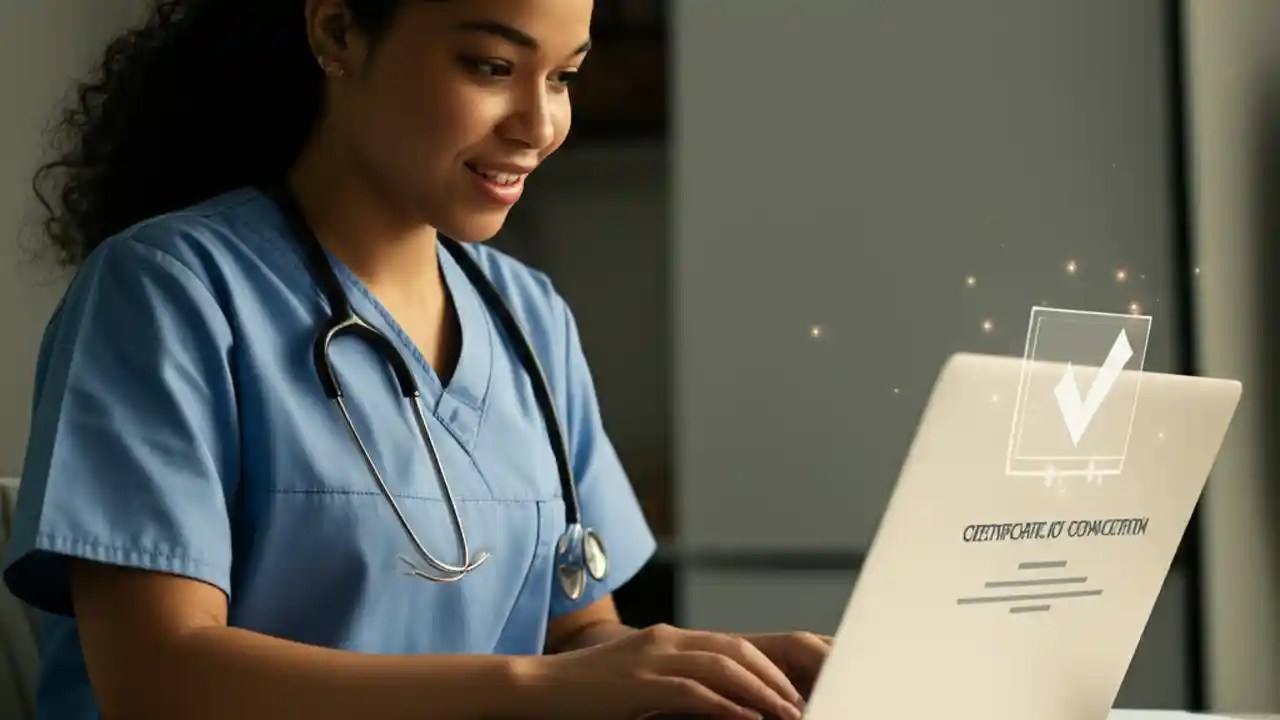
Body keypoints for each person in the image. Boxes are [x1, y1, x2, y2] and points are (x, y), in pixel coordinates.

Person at [1, 1, 831, 718]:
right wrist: (533, 690)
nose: (538, 125)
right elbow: (157, 682)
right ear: (338, 32)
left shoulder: (529, 318)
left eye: (564, 77)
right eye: (492, 65)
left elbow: (580, 632)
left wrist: (718, 675)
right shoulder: (170, 292)